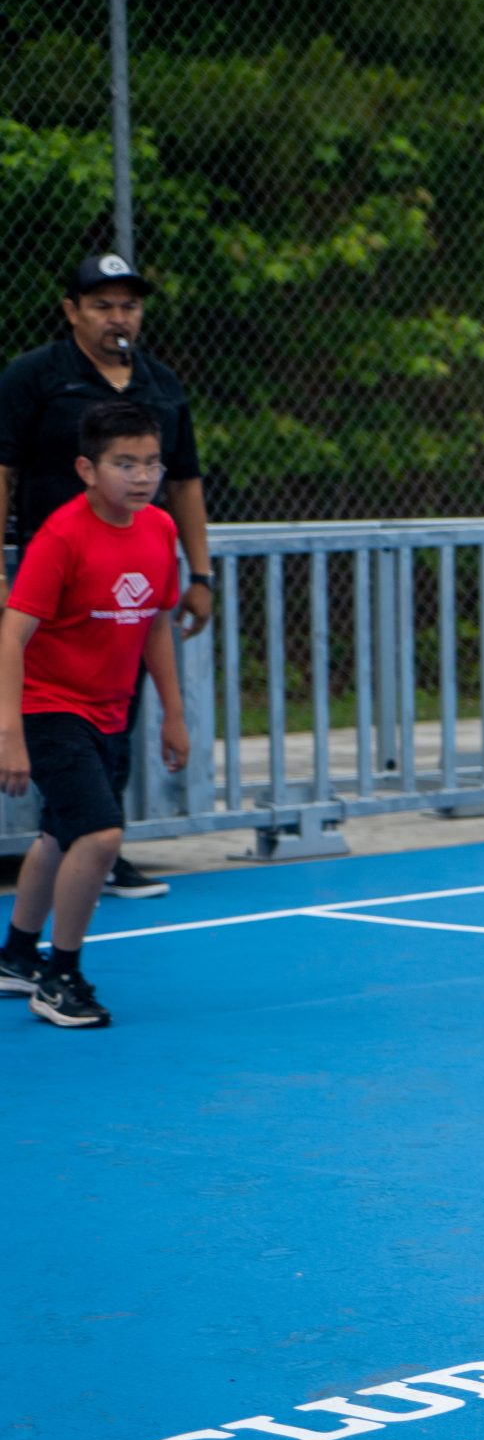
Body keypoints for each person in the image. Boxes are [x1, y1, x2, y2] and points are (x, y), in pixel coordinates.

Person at [0, 254, 214, 902]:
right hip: (53, 572)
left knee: (113, 716)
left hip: (131, 578)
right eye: (102, 305)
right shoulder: (35, 376)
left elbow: (185, 479)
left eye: (129, 305)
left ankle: (96, 836)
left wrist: (199, 573)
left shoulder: (161, 384)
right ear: (71, 311)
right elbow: (3, 467)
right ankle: (84, 834)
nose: (118, 317)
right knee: (55, 710)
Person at [0, 402, 189, 1027]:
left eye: (152, 463)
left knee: (60, 834)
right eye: (123, 463)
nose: (141, 476)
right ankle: (61, 976)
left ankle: (16, 955)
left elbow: (156, 622)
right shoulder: (61, 537)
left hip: (111, 710)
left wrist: (172, 714)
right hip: (50, 708)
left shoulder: (160, 528)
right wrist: (9, 735)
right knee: (101, 835)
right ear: (87, 468)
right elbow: (11, 636)